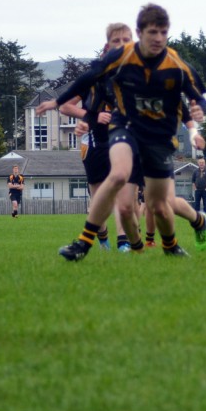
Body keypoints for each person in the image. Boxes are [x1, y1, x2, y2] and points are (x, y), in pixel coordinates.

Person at [38, 3, 206, 260]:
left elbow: (198, 97)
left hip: (159, 138)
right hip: (125, 128)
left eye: (164, 32)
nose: (159, 38)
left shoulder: (176, 64)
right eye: (153, 32)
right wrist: (58, 102)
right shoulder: (121, 57)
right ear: (141, 33)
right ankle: (84, 243)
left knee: (160, 207)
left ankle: (174, 243)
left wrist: (199, 110)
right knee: (118, 178)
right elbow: (87, 79)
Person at [59, 22, 138, 251]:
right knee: (99, 196)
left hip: (122, 140)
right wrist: (92, 116)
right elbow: (65, 106)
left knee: (124, 196)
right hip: (93, 141)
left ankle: (123, 242)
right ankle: (102, 237)